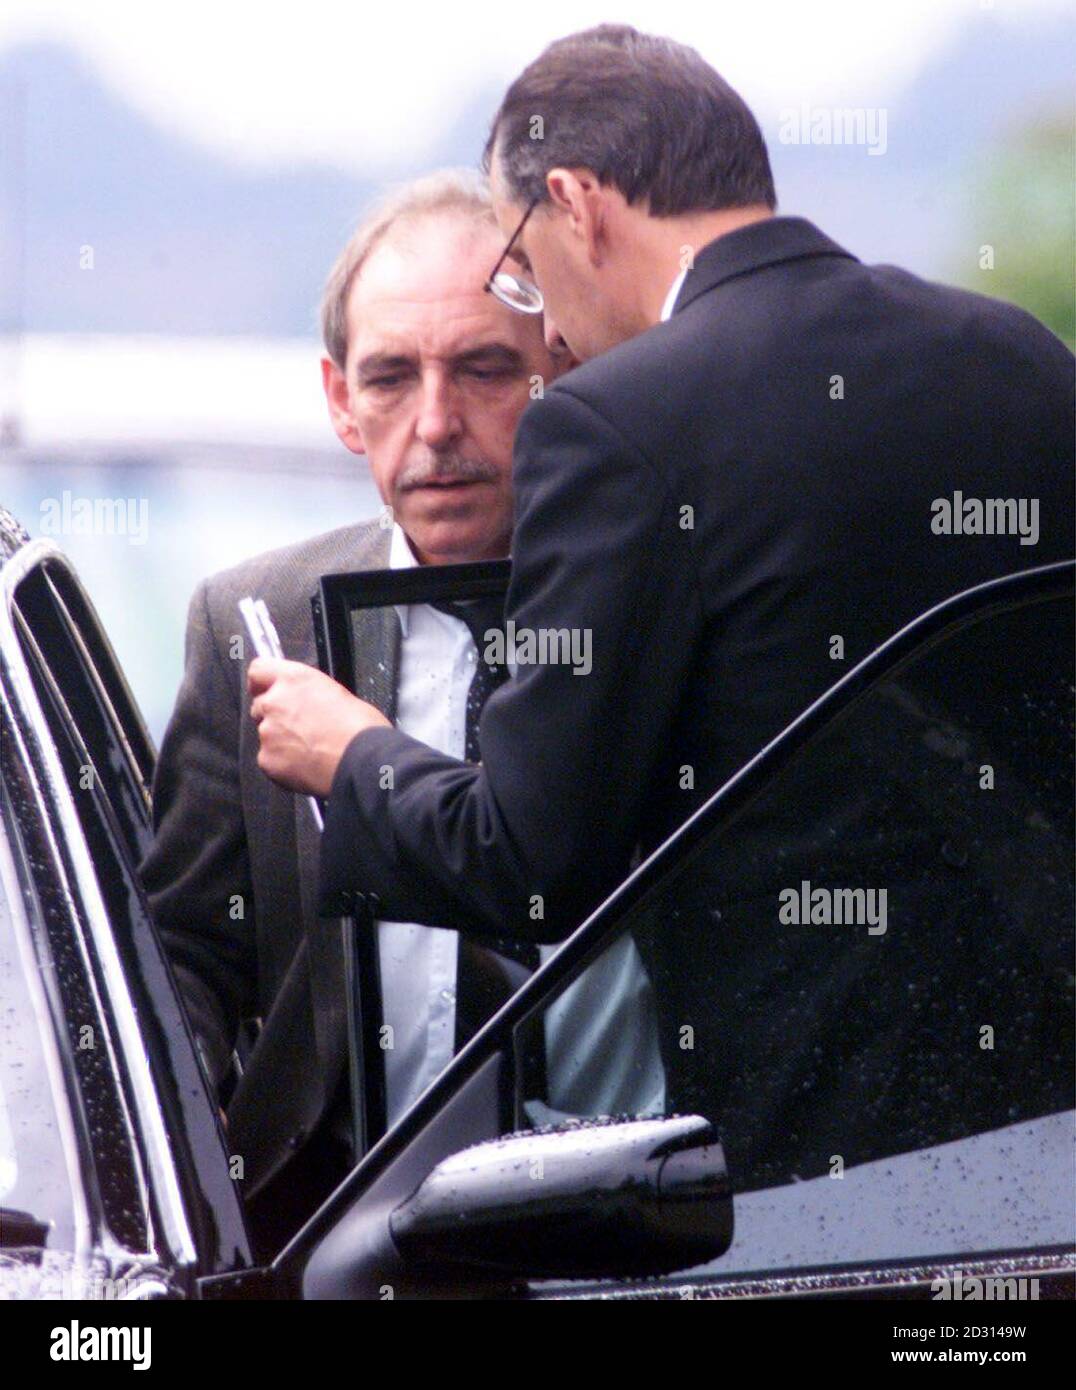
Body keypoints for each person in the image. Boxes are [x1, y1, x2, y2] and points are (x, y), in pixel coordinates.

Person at [249, 28, 1074, 1188]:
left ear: (578, 207)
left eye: (524, 275)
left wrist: (352, 756)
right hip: (1043, 1144)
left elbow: (531, 858)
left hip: (803, 1176)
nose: (548, 330)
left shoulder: (616, 422)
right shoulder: (1023, 358)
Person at [142, 169, 662, 1251]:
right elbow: (185, 956)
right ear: (339, 400)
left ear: (558, 364)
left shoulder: (665, 607)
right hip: (331, 1241)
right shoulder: (253, 620)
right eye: (389, 378)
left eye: (482, 369)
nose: (435, 424)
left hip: (647, 1236)